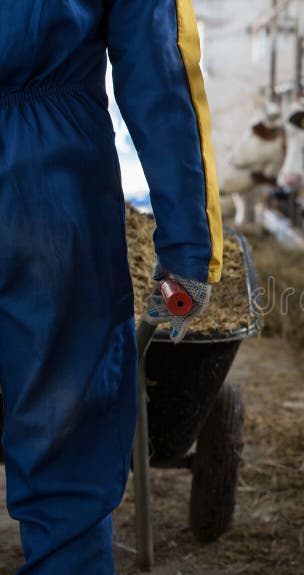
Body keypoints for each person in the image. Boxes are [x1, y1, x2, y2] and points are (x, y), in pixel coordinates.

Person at [0, 0, 222, 572]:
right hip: (50, 187)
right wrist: (189, 249)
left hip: (49, 170)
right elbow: (161, 71)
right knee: (64, 430)